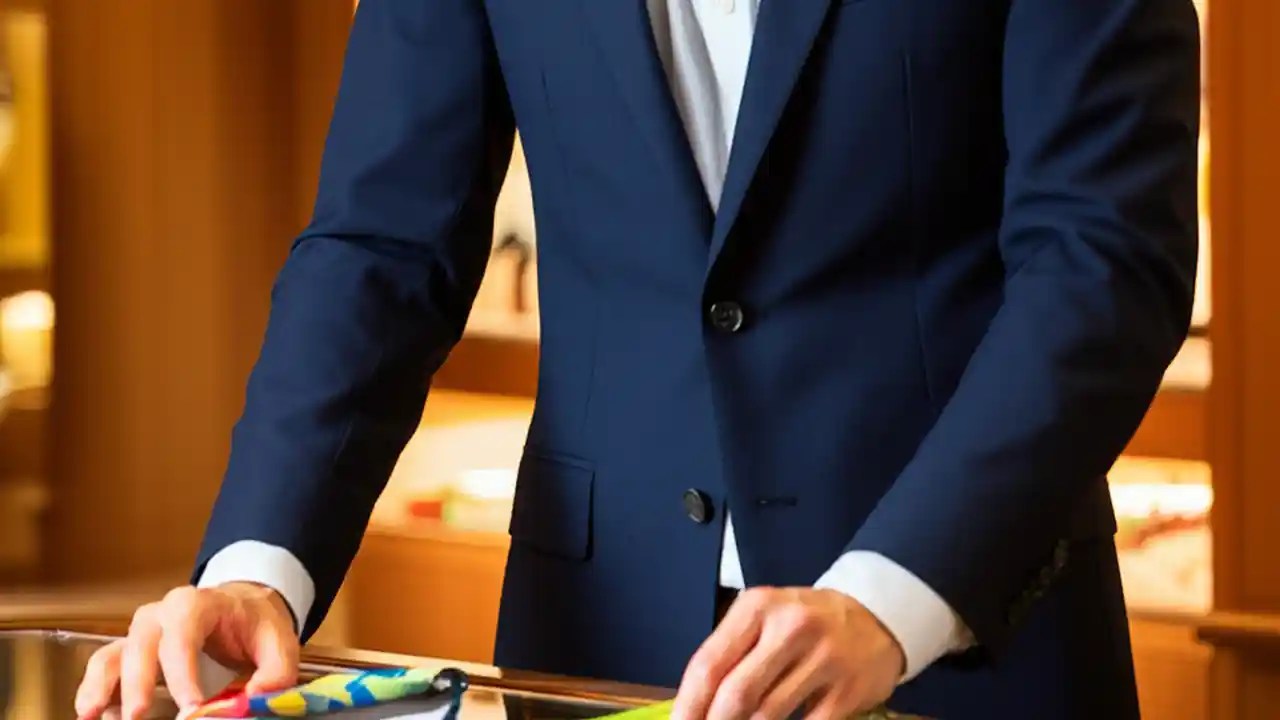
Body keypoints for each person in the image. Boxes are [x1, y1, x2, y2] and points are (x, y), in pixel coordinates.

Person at [74, 0, 1201, 718]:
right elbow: (382, 245)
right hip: (593, 644)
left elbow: (1102, 263)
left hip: (964, 646)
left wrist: (888, 598)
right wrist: (254, 569)